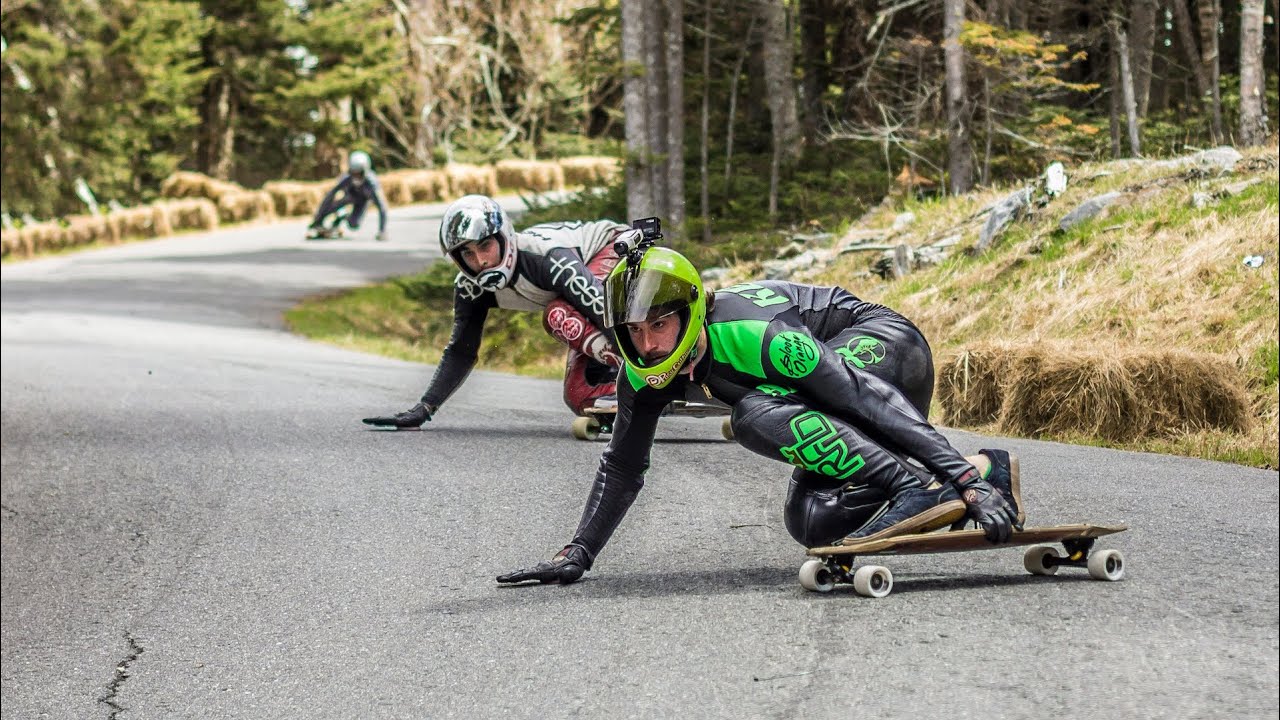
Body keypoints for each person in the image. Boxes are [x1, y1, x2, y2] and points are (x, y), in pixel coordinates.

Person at [496, 240, 1024, 585]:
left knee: (751, 415)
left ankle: (930, 484)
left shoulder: (760, 337)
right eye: (633, 331)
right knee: (811, 520)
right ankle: (986, 468)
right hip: (838, 390)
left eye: (659, 326)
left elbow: (864, 399)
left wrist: (954, 478)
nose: (649, 345)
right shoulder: (640, 370)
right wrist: (578, 553)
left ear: (691, 314)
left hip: (886, 349)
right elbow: (623, 467)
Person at [361, 194, 633, 429]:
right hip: (591, 301)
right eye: (467, 254)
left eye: (485, 246)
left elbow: (603, 311)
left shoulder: (547, 258)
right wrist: (424, 408)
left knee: (558, 315)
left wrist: (642, 365)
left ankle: (644, 373)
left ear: (504, 238)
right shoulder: (471, 288)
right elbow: (461, 351)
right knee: (579, 396)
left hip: (615, 246)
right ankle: (636, 394)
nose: (480, 261)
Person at [307, 150, 389, 241]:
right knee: (332, 205)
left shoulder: (372, 183)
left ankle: (342, 215)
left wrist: (382, 231)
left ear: (365, 170)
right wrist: (318, 219)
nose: (356, 176)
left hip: (363, 201)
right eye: (353, 173)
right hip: (350, 196)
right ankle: (320, 223)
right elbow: (330, 195)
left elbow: (382, 207)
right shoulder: (347, 178)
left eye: (359, 173)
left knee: (354, 225)